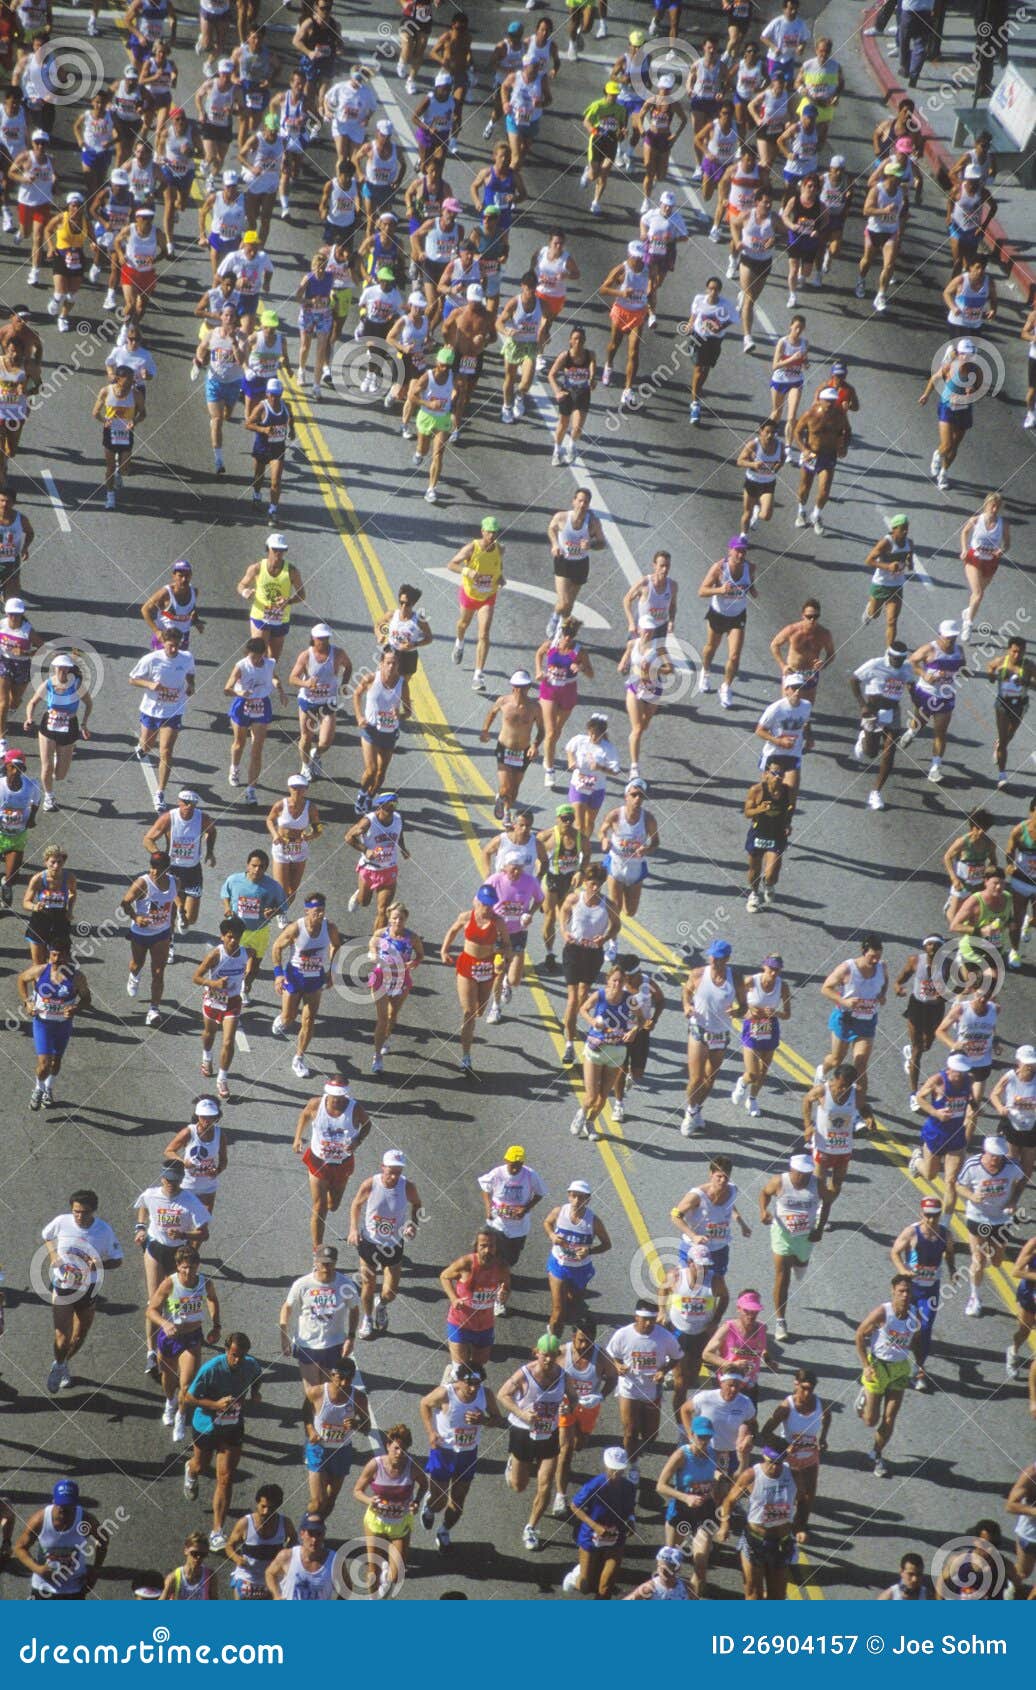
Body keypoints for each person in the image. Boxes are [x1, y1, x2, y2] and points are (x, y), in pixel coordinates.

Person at [183, 1331, 263, 1550]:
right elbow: (188, 1397)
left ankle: (217, 1531)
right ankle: (190, 1470)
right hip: (206, 1425)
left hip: (233, 1425)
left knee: (225, 1477)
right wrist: (216, 1405)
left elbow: (258, 1376)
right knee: (201, 1465)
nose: (237, 1360)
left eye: (242, 1356)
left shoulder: (250, 1365)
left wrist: (256, 1393)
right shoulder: (211, 1369)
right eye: (234, 1355)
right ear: (227, 1350)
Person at [40, 1190, 123, 1394]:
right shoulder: (62, 1221)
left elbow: (118, 1259)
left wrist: (100, 1264)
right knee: (62, 1336)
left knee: (80, 1334)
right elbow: (47, 1236)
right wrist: (53, 1257)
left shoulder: (104, 1231)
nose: (79, 1216)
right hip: (63, 1285)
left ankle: (64, 1362)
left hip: (89, 1288)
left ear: (93, 1211)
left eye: (84, 1212)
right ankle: (59, 1367)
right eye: (76, 1211)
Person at [419, 1363, 505, 1551]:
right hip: (444, 1451)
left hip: (468, 1453)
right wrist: (431, 1432)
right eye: (469, 1383)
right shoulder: (445, 1393)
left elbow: (498, 1419)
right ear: (460, 1380)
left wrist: (483, 1420)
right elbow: (424, 1404)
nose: (474, 1388)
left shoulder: (486, 1394)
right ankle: (430, 1506)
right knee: (439, 1500)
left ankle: (444, 1531)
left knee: (458, 1501)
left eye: (477, 1383)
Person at [498, 1334, 569, 1552]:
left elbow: (573, 1399)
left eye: (552, 1356)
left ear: (558, 1356)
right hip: (523, 1432)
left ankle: (531, 1527)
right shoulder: (525, 1373)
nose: (548, 1360)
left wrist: (567, 1408)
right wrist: (523, 1414)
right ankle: (512, 1462)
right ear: (536, 1352)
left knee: (545, 1483)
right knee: (519, 1486)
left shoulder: (563, 1376)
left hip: (549, 1434)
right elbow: (503, 1395)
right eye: (544, 1355)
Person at [148, 1246, 220, 1445]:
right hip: (169, 1338)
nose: (188, 1272)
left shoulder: (205, 1282)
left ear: (198, 1266)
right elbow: (151, 1310)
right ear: (178, 1266)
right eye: (184, 1268)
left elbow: (212, 1299)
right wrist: (164, 1323)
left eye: (192, 1267)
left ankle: (181, 1415)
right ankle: (170, 1402)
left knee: (187, 1384)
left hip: (192, 1337)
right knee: (168, 1377)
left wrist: (216, 1325)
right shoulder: (169, 1284)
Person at [348, 1149, 422, 1339]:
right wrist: (353, 1229)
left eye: (398, 1171)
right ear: (382, 1167)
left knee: (391, 1291)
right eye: (391, 1171)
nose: (394, 1175)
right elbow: (356, 1204)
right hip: (370, 1242)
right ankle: (367, 1318)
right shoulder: (371, 1184)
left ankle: (381, 1305)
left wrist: (412, 1224)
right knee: (367, 1284)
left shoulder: (407, 1187)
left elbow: (417, 1204)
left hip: (393, 1244)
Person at [441, 884, 512, 1076]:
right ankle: (466, 1057)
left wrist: (502, 960)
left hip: (486, 967)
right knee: (470, 1012)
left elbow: (507, 946)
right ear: (477, 901)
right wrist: (444, 950)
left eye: (491, 905)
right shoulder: (467, 916)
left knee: (480, 1011)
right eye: (485, 905)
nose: (488, 909)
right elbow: (453, 930)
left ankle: (467, 1047)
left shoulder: (498, 923)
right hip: (466, 966)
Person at [605, 1303, 682, 1480]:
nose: (648, 1324)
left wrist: (664, 1370)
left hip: (652, 1389)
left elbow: (677, 1357)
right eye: (645, 1320)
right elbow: (611, 1354)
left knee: (651, 1434)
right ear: (636, 1317)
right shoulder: (623, 1335)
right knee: (630, 1431)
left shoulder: (664, 1336)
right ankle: (632, 1464)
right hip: (629, 1388)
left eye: (652, 1320)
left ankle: (636, 1449)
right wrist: (618, 1365)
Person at [270, 892, 342, 1080]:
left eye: (323, 910)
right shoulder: (296, 928)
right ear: (307, 911)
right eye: (317, 911)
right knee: (289, 1018)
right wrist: (278, 976)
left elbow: (336, 945)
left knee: (309, 1020)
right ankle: (282, 1019)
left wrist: (331, 970)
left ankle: (299, 1058)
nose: (320, 914)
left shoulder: (330, 928)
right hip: (294, 978)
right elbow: (277, 947)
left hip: (314, 980)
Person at [292, 1077, 371, 1248]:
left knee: (332, 1205)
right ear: (327, 1092)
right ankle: (317, 1250)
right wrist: (297, 1138)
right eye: (333, 1095)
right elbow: (304, 1115)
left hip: (342, 1163)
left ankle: (327, 1207)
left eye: (340, 1096)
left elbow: (367, 1125)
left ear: (346, 1095)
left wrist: (358, 1141)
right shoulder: (316, 1104)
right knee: (319, 1207)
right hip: (318, 1161)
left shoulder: (355, 1109)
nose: (336, 1099)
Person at [817, 935, 887, 1127]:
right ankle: (821, 1071)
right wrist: (844, 1001)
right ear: (863, 952)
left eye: (878, 956)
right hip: (845, 1020)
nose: (875, 961)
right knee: (836, 1059)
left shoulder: (882, 967)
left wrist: (882, 995)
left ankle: (856, 1112)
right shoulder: (848, 968)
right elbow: (826, 988)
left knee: (860, 1065)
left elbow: (884, 984)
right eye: (872, 956)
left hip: (866, 1022)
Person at [554, 1314, 619, 1515]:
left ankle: (560, 1467)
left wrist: (600, 1396)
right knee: (565, 1450)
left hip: (589, 1408)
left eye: (588, 1340)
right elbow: (547, 1375)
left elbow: (613, 1378)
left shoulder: (601, 1356)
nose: (584, 1345)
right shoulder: (562, 1353)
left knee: (578, 1445)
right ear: (573, 1337)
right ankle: (560, 1496)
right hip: (566, 1406)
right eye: (580, 1340)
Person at [570, 961, 642, 1140]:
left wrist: (633, 1030)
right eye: (614, 981)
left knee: (603, 1096)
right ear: (608, 981)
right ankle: (582, 1113)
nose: (617, 984)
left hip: (617, 1052)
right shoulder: (599, 995)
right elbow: (583, 1009)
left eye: (620, 981)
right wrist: (592, 1022)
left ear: (625, 982)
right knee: (592, 1096)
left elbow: (642, 1019)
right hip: (596, 1050)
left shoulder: (630, 999)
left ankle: (590, 1123)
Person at [717, 1437, 796, 1599]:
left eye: (778, 1463)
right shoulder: (751, 1475)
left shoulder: (793, 1474)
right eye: (770, 1462)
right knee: (754, 1595)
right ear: (764, 1457)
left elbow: (805, 1498)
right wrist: (725, 1525)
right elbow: (729, 1500)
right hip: (755, 1541)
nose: (773, 1467)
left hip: (781, 1542)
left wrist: (801, 1525)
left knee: (778, 1596)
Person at [681, 939, 746, 1136]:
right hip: (699, 1029)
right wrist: (686, 1006)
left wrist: (737, 1011)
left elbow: (744, 1005)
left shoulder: (735, 978)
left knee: (710, 1079)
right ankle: (690, 1112)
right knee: (696, 1078)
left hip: (720, 1033)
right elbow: (686, 991)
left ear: (726, 959)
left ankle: (698, 1109)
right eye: (712, 956)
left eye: (718, 958)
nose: (713, 961)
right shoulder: (699, 974)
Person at [352, 1424, 425, 1598]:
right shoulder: (375, 1465)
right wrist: (370, 1500)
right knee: (372, 1569)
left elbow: (425, 1484)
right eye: (396, 1448)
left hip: (399, 1523)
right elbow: (357, 1491)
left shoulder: (412, 1467)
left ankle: (387, 1575)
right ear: (388, 1446)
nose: (400, 1453)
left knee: (397, 1574)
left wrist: (416, 1502)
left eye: (404, 1450)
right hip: (376, 1522)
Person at [891, 1195, 955, 1392]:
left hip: (930, 1290)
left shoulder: (945, 1234)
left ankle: (919, 1369)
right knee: (904, 1328)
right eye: (927, 1215)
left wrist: (952, 1271)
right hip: (910, 1289)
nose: (931, 1219)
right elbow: (895, 1252)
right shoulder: (912, 1232)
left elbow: (950, 1254)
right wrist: (902, 1270)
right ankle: (893, 1363)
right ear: (922, 1214)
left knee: (925, 1328)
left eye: (935, 1215)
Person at [854, 1276, 916, 1477]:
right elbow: (859, 1335)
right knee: (871, 1420)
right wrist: (865, 1366)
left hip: (899, 1369)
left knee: (890, 1418)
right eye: (901, 1291)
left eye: (908, 1291)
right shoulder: (883, 1312)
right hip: (878, 1367)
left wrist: (919, 1365)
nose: (905, 1295)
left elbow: (914, 1340)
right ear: (893, 1291)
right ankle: (863, 1398)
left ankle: (876, 1453)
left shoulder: (915, 1316)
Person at [129, 625, 196, 811]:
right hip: (151, 710)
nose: (173, 649)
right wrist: (149, 684)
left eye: (176, 646)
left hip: (173, 710)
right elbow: (132, 679)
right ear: (163, 643)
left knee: (166, 751)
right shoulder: (151, 659)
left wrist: (190, 686)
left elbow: (190, 674)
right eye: (169, 646)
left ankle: (160, 792)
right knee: (148, 745)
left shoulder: (187, 658)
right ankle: (143, 748)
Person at [956, 1135, 1024, 1316]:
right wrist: (971, 1196)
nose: (996, 1159)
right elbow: (958, 1185)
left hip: (1000, 1219)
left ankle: (987, 1256)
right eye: (993, 1155)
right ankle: (974, 1297)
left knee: (997, 1261)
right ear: (985, 1151)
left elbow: (1021, 1181)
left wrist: (1013, 1201)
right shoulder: (973, 1165)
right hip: (978, 1217)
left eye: (999, 1156)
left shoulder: (1011, 1167)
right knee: (978, 1260)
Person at [671, 1155, 750, 1312]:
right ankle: (678, 1317)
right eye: (718, 1176)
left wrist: (741, 1223)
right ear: (711, 1174)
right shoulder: (696, 1195)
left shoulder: (732, 1189)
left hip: (719, 1249)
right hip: (693, 1248)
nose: (722, 1181)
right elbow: (674, 1215)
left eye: (726, 1177)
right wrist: (694, 1236)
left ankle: (706, 1317)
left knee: (715, 1286)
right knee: (688, 1284)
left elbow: (730, 1206)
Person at [655, 1419, 724, 1594]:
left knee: (701, 1567)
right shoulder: (681, 1456)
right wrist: (686, 1497)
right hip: (681, 1512)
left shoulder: (713, 1454)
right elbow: (661, 1486)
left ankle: (691, 1598)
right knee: (670, 1565)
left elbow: (714, 1479)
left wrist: (716, 1484)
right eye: (700, 1436)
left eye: (708, 1437)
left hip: (704, 1513)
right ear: (691, 1435)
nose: (704, 1441)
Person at [759, 1156, 821, 1341]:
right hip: (782, 1235)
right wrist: (763, 1211)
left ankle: (800, 1262)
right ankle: (780, 1321)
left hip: (805, 1237)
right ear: (791, 1169)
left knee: (800, 1265)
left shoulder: (817, 1183)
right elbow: (764, 1193)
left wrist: (820, 1226)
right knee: (782, 1277)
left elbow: (828, 1201)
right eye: (799, 1172)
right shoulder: (780, 1181)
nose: (803, 1176)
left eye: (807, 1173)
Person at [561, 1447, 638, 1598]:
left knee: (606, 1587)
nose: (615, 1474)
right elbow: (575, 1506)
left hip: (616, 1538)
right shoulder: (595, 1485)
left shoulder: (629, 1487)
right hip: (591, 1537)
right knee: (586, 1587)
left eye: (619, 1470)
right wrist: (595, 1526)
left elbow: (630, 1509)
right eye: (612, 1469)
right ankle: (575, 1576)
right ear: (606, 1466)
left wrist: (631, 1521)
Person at [144, 789, 217, 942]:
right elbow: (148, 839)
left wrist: (210, 851)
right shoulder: (169, 818)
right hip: (172, 869)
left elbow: (212, 831)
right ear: (179, 802)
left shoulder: (202, 818)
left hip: (193, 870)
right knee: (170, 912)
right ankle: (169, 944)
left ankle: (182, 915)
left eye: (193, 804)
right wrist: (160, 856)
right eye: (186, 803)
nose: (189, 807)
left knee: (191, 918)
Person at [15, 1481, 108, 1599]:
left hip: (75, 1587)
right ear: (54, 1501)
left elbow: (103, 1540)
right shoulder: (40, 1520)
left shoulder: (86, 1520)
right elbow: (19, 1548)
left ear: (76, 1503)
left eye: (69, 1505)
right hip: (43, 1587)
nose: (64, 1509)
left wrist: (95, 1571)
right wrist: (38, 1569)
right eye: (61, 1505)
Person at [23, 653, 92, 813]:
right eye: (59, 668)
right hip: (48, 726)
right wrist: (29, 718)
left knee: (60, 775)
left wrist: (84, 724)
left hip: (69, 727)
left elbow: (89, 704)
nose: (61, 671)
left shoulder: (77, 685)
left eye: (64, 668)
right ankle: (49, 796)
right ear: (54, 668)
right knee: (46, 767)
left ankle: (56, 763)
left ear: (69, 669)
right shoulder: (48, 684)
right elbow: (32, 702)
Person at [302, 1357, 369, 1522]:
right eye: (341, 1378)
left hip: (342, 1451)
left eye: (349, 1379)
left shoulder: (359, 1397)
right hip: (318, 1449)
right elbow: (305, 1413)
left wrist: (356, 1424)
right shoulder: (316, 1392)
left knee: (330, 1500)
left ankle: (317, 1529)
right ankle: (305, 1528)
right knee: (318, 1502)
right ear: (332, 1375)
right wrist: (310, 1431)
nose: (345, 1383)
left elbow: (367, 1426)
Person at [543, 1178, 611, 1338]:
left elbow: (607, 1244)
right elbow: (547, 1222)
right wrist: (552, 1235)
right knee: (558, 1312)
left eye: (581, 1197)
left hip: (581, 1268)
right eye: (574, 1195)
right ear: (568, 1195)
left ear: (588, 1199)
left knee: (574, 1303)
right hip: (559, 1265)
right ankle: (551, 1343)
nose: (577, 1200)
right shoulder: (559, 1212)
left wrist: (589, 1251)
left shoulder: (593, 1221)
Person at [191, 919, 251, 1101]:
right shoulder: (215, 955)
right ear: (222, 936)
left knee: (227, 1042)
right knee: (209, 1034)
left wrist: (247, 974)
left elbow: (252, 958)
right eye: (230, 937)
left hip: (232, 1002)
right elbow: (196, 977)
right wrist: (214, 983)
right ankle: (207, 1058)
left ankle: (222, 1079)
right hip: (213, 1000)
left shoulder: (245, 953)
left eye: (237, 937)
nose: (233, 941)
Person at [851, 640, 912, 812]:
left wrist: (918, 706)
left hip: (893, 711)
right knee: (871, 754)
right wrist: (862, 705)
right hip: (873, 711)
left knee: (889, 752)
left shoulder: (906, 668)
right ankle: (864, 737)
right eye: (894, 658)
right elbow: (854, 680)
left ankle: (876, 792)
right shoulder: (874, 664)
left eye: (900, 659)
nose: (897, 662)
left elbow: (912, 686)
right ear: (888, 655)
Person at [477, 1146, 546, 1294]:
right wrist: (488, 1207)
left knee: (511, 1259)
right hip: (498, 1224)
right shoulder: (497, 1173)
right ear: (506, 1161)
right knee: (492, 1253)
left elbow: (540, 1193)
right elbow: (485, 1187)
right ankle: (494, 1282)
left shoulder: (530, 1175)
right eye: (513, 1165)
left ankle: (502, 1271)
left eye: (519, 1165)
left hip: (518, 1228)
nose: (515, 1169)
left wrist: (525, 1208)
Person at [220, 848, 286, 1002]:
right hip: (236, 929)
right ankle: (225, 992)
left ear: (266, 868)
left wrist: (273, 912)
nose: (257, 870)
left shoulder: (273, 886)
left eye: (261, 867)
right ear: (247, 865)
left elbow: (282, 906)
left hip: (259, 930)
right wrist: (227, 908)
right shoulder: (234, 880)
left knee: (254, 967)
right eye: (254, 865)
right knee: (230, 962)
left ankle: (245, 987)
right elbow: (225, 894)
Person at [288, 622, 352, 780]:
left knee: (326, 741)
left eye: (326, 638)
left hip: (328, 702)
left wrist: (344, 683)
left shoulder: (337, 654)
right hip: (308, 701)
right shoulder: (306, 656)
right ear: (313, 638)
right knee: (306, 736)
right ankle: (305, 766)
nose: (323, 641)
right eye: (320, 638)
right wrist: (306, 683)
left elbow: (348, 666)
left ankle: (316, 754)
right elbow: (292, 678)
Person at [801, 1065, 858, 1239]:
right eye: (840, 1085)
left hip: (844, 1148)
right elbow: (806, 1100)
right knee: (818, 1186)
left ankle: (823, 1215)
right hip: (823, 1147)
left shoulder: (856, 1093)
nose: (842, 1089)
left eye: (846, 1086)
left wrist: (869, 1118)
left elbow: (864, 1108)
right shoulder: (822, 1090)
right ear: (834, 1079)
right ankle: (809, 1215)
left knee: (836, 1186)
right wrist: (808, 1125)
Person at [697, 534, 755, 707]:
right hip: (718, 614)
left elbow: (751, 584)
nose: (740, 555)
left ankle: (725, 687)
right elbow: (701, 591)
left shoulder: (750, 567)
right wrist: (721, 590)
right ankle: (705, 672)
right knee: (710, 648)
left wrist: (753, 590)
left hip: (738, 616)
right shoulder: (719, 568)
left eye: (743, 551)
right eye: (737, 551)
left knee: (735, 655)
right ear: (730, 550)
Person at [121, 852, 178, 1026]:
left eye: (158, 869)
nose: (154, 872)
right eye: (152, 867)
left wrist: (172, 927)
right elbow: (124, 903)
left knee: (159, 972)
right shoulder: (142, 883)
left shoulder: (175, 882)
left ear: (167, 869)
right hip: (140, 934)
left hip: (161, 934)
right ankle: (134, 975)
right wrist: (135, 917)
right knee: (137, 964)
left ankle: (154, 1010)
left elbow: (172, 904)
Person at [918, 338, 982, 491]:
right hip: (947, 407)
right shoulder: (950, 367)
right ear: (959, 354)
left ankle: (944, 473)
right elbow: (934, 379)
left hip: (964, 410)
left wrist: (972, 391)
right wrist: (926, 395)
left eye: (970, 354)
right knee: (946, 444)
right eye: (964, 354)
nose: (967, 357)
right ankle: (937, 455)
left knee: (954, 445)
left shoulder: (976, 370)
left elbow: (979, 390)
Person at [440, 1230, 509, 1368]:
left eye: (491, 1246)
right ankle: (452, 1375)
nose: (487, 1250)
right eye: (483, 1246)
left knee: (478, 1369)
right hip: (460, 1324)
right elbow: (444, 1276)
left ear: (496, 1247)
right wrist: (454, 1299)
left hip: (485, 1326)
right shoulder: (466, 1263)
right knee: (460, 1369)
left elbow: (505, 1286)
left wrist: (503, 1294)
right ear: (476, 1246)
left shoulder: (502, 1267)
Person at [734, 954, 791, 1114]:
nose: (773, 973)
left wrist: (776, 1013)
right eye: (771, 969)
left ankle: (752, 1099)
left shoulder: (783, 986)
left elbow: (787, 1014)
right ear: (764, 967)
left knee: (763, 1070)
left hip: (770, 1028)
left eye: (777, 970)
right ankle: (743, 1082)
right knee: (752, 1073)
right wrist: (750, 1009)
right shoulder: (751, 981)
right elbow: (736, 1005)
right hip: (752, 1027)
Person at [236, 532, 305, 662]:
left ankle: (267, 679)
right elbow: (241, 584)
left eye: (282, 550)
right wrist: (245, 592)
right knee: (258, 655)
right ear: (268, 549)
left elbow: (302, 595)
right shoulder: (256, 568)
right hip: (261, 616)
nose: (278, 553)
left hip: (281, 618)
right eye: (275, 549)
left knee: (272, 661)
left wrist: (289, 601)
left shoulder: (291, 571)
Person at [792, 386, 850, 534]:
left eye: (833, 401)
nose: (830, 404)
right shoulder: (810, 414)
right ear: (820, 401)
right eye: (827, 401)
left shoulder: (840, 415)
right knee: (805, 486)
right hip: (812, 454)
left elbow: (848, 431)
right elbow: (797, 431)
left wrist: (844, 446)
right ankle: (801, 511)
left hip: (829, 455)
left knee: (824, 490)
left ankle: (816, 515)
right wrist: (804, 449)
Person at [682, 274, 738, 424]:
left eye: (716, 289)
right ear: (707, 289)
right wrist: (689, 325)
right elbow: (694, 315)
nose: (713, 291)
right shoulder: (699, 300)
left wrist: (719, 327)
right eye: (711, 288)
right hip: (700, 337)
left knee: (706, 369)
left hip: (715, 340)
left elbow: (734, 318)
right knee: (699, 369)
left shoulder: (725, 305)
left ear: (719, 291)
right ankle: (695, 403)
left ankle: (698, 391)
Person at [702, 1289, 775, 1404]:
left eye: (755, 1311)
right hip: (728, 1383)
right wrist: (731, 1364)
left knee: (750, 1419)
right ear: (739, 1309)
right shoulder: (728, 1328)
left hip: (750, 1384)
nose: (751, 1315)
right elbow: (707, 1354)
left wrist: (768, 1359)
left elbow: (761, 1348)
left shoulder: (762, 1328)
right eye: (747, 1310)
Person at [225, 1484, 295, 1602]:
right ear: (257, 1503)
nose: (266, 1511)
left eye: (271, 1508)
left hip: (272, 1580)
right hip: (247, 1579)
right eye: (263, 1506)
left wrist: (285, 1556)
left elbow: (293, 1540)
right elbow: (229, 1546)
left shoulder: (285, 1523)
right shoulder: (245, 1523)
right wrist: (236, 1558)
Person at [354, 646, 404, 809]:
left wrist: (400, 714)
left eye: (394, 663)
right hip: (371, 729)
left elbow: (409, 711)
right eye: (388, 663)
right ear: (381, 663)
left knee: (381, 773)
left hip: (389, 732)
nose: (391, 667)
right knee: (371, 769)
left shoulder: (402, 683)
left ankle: (370, 795)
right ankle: (361, 795)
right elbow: (356, 694)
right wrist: (359, 716)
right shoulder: (371, 679)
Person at [743, 759, 795, 910]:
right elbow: (747, 812)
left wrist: (787, 823)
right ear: (766, 774)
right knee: (754, 869)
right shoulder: (757, 790)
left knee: (771, 873)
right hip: (759, 833)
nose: (778, 777)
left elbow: (790, 808)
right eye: (775, 773)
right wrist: (760, 810)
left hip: (777, 834)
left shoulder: (787, 791)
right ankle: (753, 894)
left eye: (781, 774)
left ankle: (769, 883)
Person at [163, 1097, 227, 1217]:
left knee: (202, 1225)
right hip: (185, 1185)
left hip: (208, 1187)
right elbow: (169, 1151)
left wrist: (217, 1171)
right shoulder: (188, 1132)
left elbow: (224, 1160)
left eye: (211, 1117)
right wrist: (183, 1163)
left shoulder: (220, 1134)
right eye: (203, 1116)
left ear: (216, 1117)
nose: (207, 1120)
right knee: (173, 1222)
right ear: (197, 1115)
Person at [959, 492, 1010, 643]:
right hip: (974, 558)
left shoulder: (1003, 524)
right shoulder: (976, 520)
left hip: (991, 561)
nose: (994, 509)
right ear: (986, 505)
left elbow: (1007, 543)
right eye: (992, 505)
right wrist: (964, 549)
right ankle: (968, 624)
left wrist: (1002, 550)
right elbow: (964, 532)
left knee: (978, 595)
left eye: (997, 506)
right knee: (978, 594)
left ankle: (968, 611)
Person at [989, 639, 1035, 789]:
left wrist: (1026, 682)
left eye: (1020, 651)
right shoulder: (1001, 661)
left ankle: (999, 745)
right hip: (1003, 704)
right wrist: (993, 676)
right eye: (1014, 651)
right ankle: (1002, 776)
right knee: (1003, 740)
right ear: (1009, 650)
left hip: (1020, 705)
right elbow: (990, 668)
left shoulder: (1028, 666)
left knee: (1010, 735)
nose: (1017, 654)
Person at [160, 1532, 217, 1600]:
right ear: (186, 1550)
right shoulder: (173, 1578)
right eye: (194, 1553)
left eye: (202, 1555)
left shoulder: (210, 1576)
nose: (198, 1557)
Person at [624, 1545, 693, 1601]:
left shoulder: (686, 1587)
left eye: (667, 1568)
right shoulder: (650, 1588)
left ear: (678, 1569)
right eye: (660, 1567)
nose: (663, 1572)